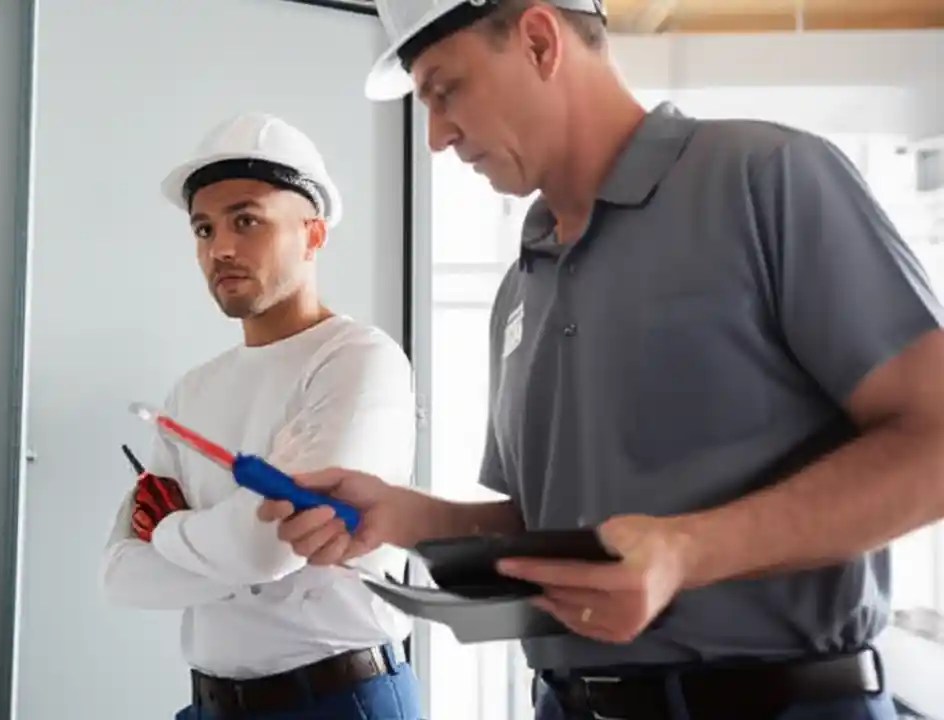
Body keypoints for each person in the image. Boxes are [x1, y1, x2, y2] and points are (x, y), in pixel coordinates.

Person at [259, 2, 944, 719]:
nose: (436, 137)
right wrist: (406, 518)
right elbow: (552, 528)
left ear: (538, 41)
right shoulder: (521, 285)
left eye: (445, 90)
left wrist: (687, 552)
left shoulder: (765, 178)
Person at [100, 111, 423, 720]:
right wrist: (233, 541)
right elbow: (121, 574)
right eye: (203, 229)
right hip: (209, 705)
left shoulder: (357, 359)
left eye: (246, 221)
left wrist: (171, 533)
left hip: (339, 702)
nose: (219, 249)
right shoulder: (192, 390)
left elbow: (268, 547)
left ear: (313, 234)